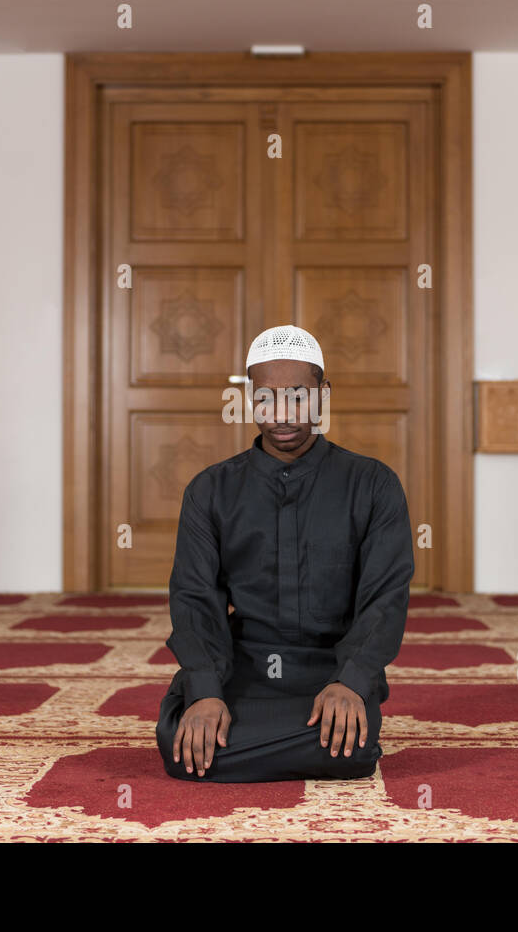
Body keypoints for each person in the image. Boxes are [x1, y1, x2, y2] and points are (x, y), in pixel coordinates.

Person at [155, 324, 414, 782]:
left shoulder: (372, 484)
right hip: (244, 667)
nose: (282, 413)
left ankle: (319, 729)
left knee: (352, 745)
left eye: (299, 396)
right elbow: (195, 597)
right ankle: (292, 740)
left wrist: (351, 682)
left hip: (330, 669)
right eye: (265, 397)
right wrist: (206, 692)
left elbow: (384, 598)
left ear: (323, 394)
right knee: (181, 746)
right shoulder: (211, 490)